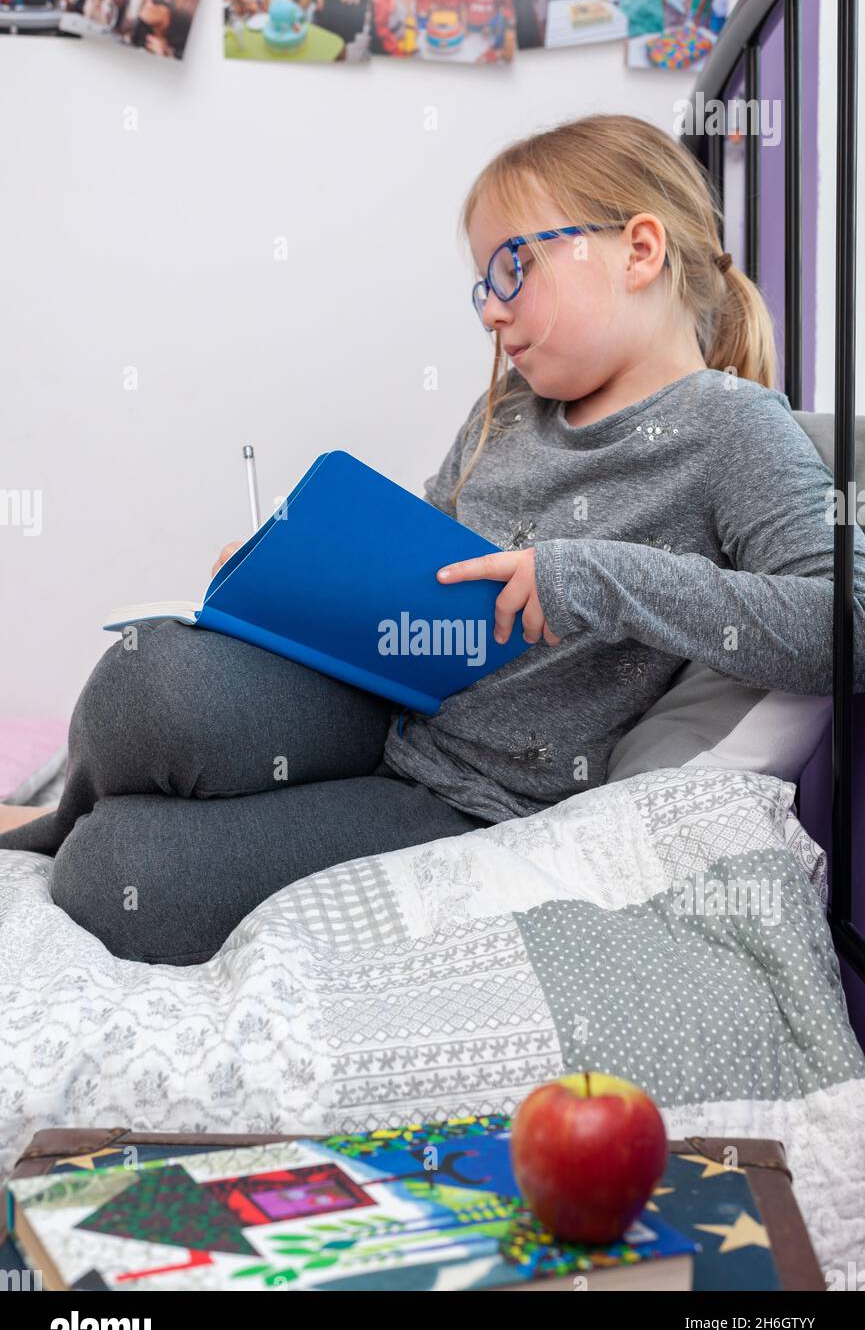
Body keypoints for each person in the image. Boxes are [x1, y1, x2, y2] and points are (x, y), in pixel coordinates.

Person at [4, 113, 864, 965]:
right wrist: (296, 576)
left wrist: (595, 577)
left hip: (476, 793)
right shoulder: (509, 412)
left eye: (512, 269)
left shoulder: (733, 429)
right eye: (481, 284)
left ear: (638, 251)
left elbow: (842, 627)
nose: (490, 309)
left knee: (120, 877)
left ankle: (79, 839)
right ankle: (58, 818)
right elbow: (430, 548)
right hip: (374, 705)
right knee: (145, 675)